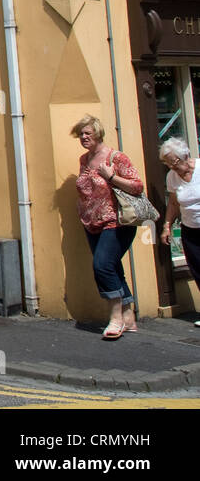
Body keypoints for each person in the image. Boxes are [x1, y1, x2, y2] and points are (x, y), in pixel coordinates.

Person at [71, 115, 145, 339]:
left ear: (98, 133)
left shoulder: (116, 157)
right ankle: (129, 316)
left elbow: (137, 186)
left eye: (87, 133)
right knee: (112, 267)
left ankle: (115, 317)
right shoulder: (84, 159)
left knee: (102, 265)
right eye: (81, 134)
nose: (83, 137)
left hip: (116, 222)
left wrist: (111, 176)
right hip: (91, 223)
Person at [159, 137, 200, 326]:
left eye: (174, 162)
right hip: (190, 229)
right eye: (167, 163)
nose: (171, 167)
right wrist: (167, 226)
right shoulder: (171, 177)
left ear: (185, 156)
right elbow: (174, 203)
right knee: (197, 269)